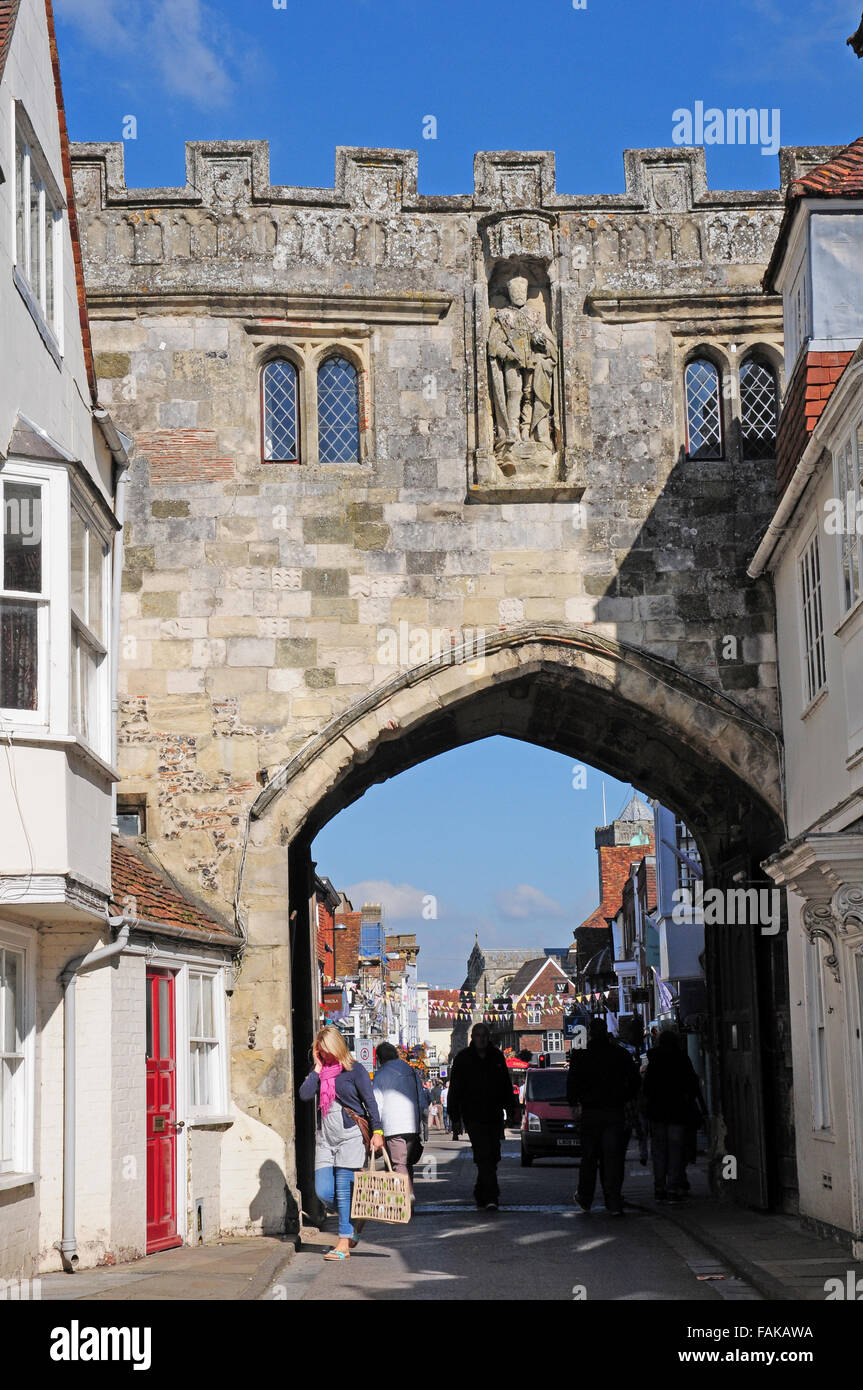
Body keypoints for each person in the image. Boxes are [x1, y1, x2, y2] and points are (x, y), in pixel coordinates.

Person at [299, 1024, 384, 1260]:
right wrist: (316, 1069)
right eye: (320, 1050)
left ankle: (343, 1244)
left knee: (343, 1191)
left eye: (326, 1050)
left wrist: (378, 1131)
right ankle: (355, 1217)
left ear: (337, 1047)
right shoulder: (320, 1071)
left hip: (350, 1137)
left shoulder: (355, 1070)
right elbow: (305, 1095)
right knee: (324, 1192)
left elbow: (370, 1102)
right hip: (326, 1138)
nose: (324, 1055)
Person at [567, 1017, 640, 1216]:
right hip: (614, 1112)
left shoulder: (581, 1055)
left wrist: (574, 1103)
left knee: (589, 1158)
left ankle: (585, 1198)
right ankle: (613, 1201)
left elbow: (572, 1081)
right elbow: (634, 1082)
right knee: (613, 1159)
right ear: (606, 1031)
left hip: (590, 1112)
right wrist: (624, 1097)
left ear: (590, 1032)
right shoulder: (620, 1054)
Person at [446, 1023, 517, 1210]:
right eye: (478, 1035)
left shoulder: (496, 1056)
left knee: (493, 1155)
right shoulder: (463, 1059)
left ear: (489, 1037)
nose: (482, 1039)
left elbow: (505, 1085)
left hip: (493, 1114)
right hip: (473, 1114)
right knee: (483, 1154)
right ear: (472, 1038)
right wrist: (455, 1116)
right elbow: (455, 1089)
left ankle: (480, 1191)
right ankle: (492, 1196)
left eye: (484, 1035)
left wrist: (510, 1110)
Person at [642, 1027, 704, 1203]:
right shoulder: (681, 1059)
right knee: (676, 1151)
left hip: (657, 1113)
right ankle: (673, 1188)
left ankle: (659, 1187)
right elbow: (692, 1084)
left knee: (659, 1151)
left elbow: (646, 1088)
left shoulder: (654, 1061)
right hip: (677, 1112)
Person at [372, 1042, 428, 1196]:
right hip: (412, 1123)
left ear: (380, 1058)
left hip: (393, 1126)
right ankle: (405, 1198)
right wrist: (422, 1119)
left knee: (398, 1164)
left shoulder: (381, 1074)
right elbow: (421, 1098)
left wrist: (376, 1126)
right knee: (406, 1163)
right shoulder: (409, 1070)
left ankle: (407, 1197)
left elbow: (377, 1103)